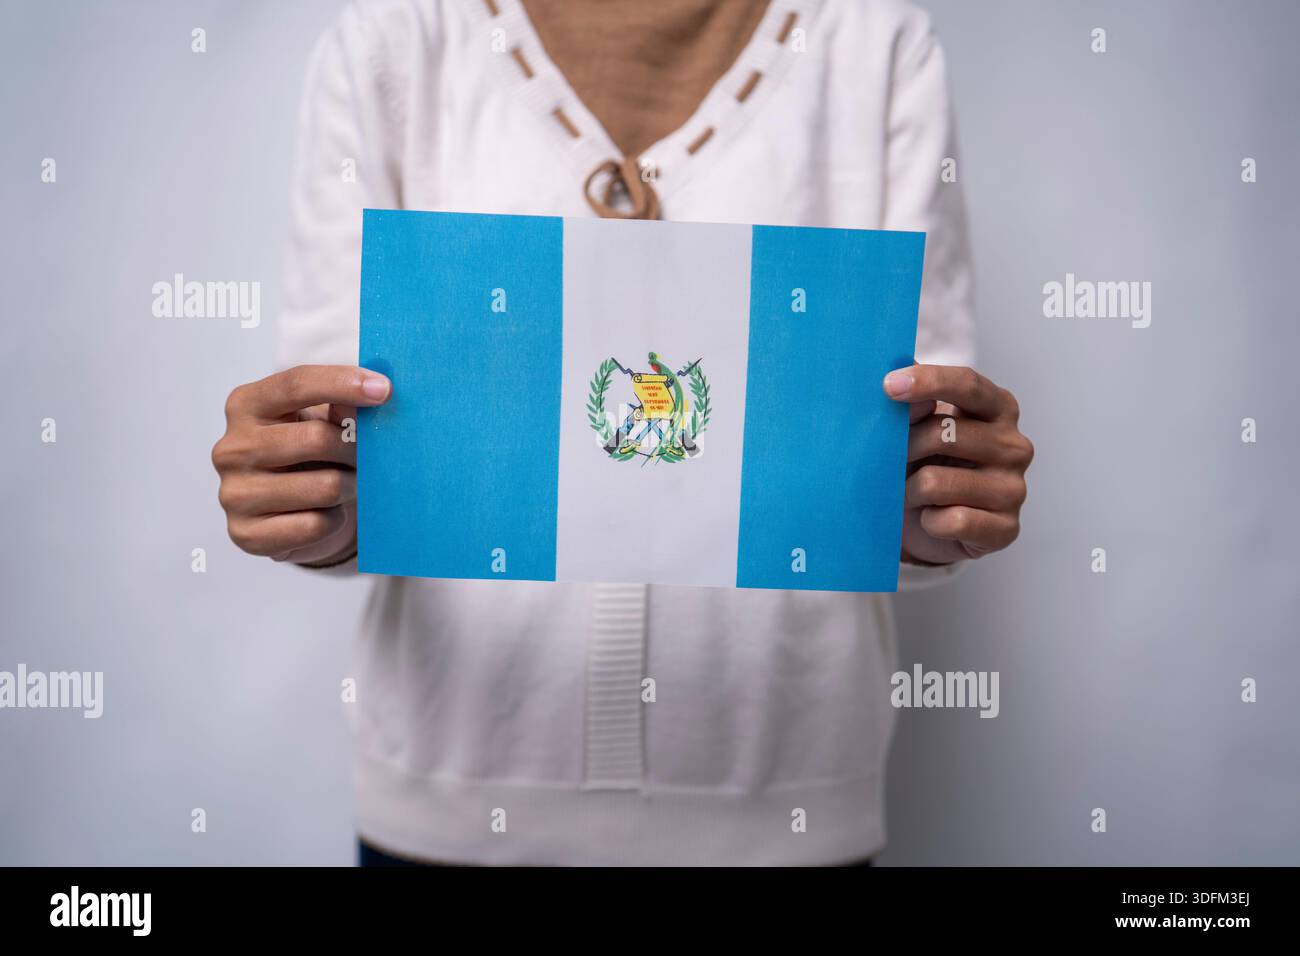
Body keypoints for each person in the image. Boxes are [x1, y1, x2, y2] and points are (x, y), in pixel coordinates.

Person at [211, 0, 1033, 866]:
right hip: (445, 812)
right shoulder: (394, 40)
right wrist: (312, 503)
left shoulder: (875, 43)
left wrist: (932, 512)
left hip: (785, 814)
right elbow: (334, 444)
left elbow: (922, 444)